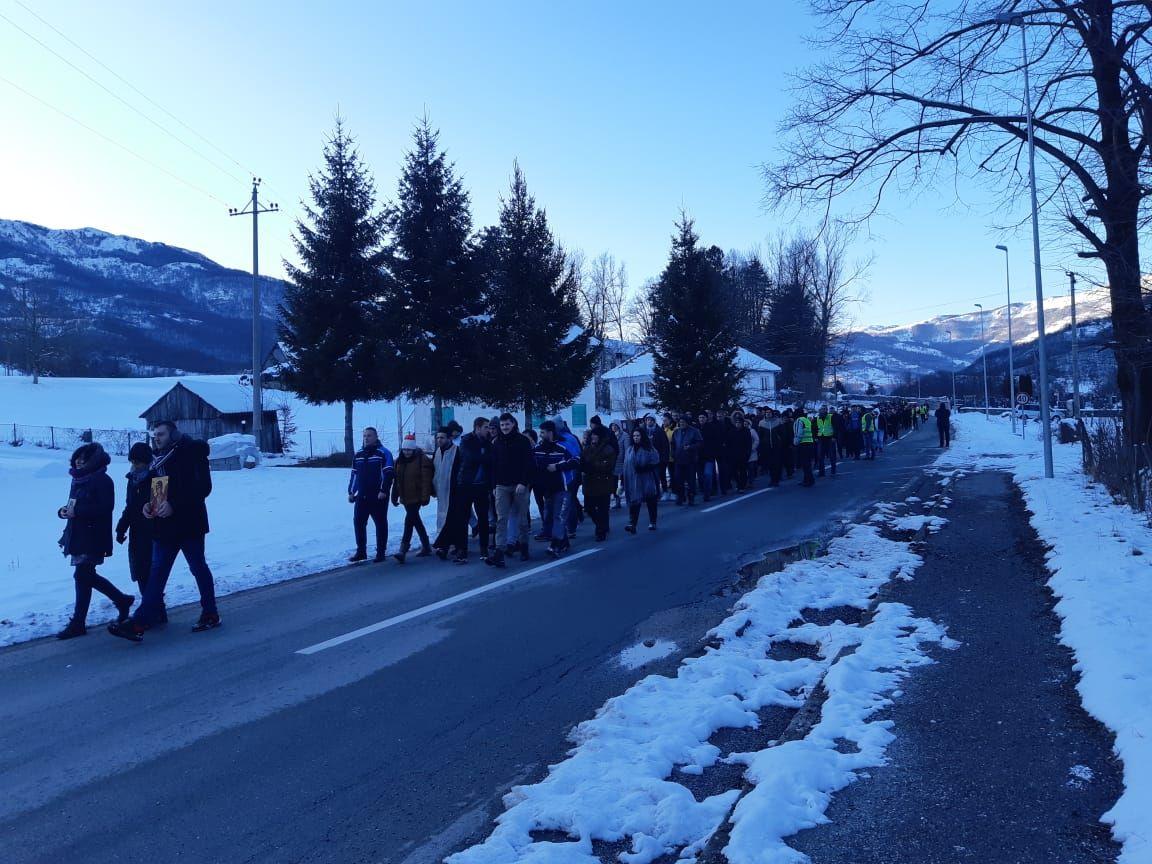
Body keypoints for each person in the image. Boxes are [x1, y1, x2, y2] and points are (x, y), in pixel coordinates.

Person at [108, 420, 219, 641]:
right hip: (165, 527)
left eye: (160, 434)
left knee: (197, 567)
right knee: (156, 573)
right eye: (154, 434)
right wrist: (151, 506)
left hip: (190, 524)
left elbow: (203, 488)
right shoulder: (159, 460)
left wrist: (174, 505)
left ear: (174, 434)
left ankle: (210, 613)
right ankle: (140, 622)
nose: (156, 438)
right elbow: (159, 491)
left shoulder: (192, 452)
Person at [56, 442, 135, 639]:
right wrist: (63, 511)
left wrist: (78, 512)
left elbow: (105, 508)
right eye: (77, 459)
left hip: (93, 536)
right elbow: (73, 505)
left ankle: (79, 622)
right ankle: (121, 600)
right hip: (78, 534)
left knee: (83, 575)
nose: (79, 463)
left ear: (93, 461)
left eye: (83, 460)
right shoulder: (78, 480)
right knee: (84, 576)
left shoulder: (102, 480)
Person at [115, 441, 165, 624]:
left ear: (146, 462)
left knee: (151, 574)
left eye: (138, 462)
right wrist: (121, 528)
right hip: (137, 533)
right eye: (132, 462)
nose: (134, 466)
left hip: (153, 534)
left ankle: (153, 612)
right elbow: (130, 507)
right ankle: (156, 611)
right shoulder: (132, 480)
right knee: (140, 574)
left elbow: (158, 509)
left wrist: (153, 528)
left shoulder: (157, 479)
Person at [435, 417, 493, 565]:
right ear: (477, 427)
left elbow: (492, 459)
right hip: (466, 485)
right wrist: (484, 457)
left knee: (483, 518)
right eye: (486, 427)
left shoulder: (488, 442)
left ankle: (484, 548)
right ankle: (462, 550)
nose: (488, 430)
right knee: (462, 518)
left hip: (482, 485)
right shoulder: (466, 440)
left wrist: (484, 458)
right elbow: (470, 457)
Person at [488, 413, 534, 568]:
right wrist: (494, 486)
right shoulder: (496, 443)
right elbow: (492, 466)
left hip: (519, 485)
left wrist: (523, 482)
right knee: (501, 519)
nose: (505, 427)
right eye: (502, 425)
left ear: (513, 424)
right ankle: (499, 552)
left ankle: (524, 547)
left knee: (521, 518)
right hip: (501, 485)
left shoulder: (522, 441)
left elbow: (529, 463)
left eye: (507, 424)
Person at [347, 427, 395, 563]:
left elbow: (389, 473)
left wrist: (384, 491)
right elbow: (354, 474)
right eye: (364, 436)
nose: (366, 438)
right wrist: (351, 492)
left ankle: (381, 552)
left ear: (375, 436)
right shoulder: (358, 454)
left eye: (369, 435)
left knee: (380, 523)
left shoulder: (384, 453)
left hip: (378, 495)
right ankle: (361, 551)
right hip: (362, 495)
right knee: (358, 522)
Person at [532, 421, 580, 557]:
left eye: (543, 432)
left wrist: (557, 466)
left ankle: (555, 545)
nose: (540, 435)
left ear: (550, 433)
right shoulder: (538, 449)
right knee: (550, 515)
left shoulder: (562, 447)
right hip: (548, 488)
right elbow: (531, 461)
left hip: (563, 487)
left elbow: (576, 460)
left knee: (559, 516)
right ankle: (564, 541)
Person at [391, 434, 435, 563]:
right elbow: (396, 480)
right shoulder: (399, 461)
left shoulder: (422, 460)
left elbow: (426, 480)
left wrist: (425, 497)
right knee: (416, 521)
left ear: (414, 449)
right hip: (405, 497)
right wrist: (394, 496)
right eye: (404, 450)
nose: (407, 452)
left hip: (417, 497)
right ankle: (426, 545)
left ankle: (402, 550)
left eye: (409, 450)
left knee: (409, 522)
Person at [580, 426, 618, 542]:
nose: (593, 437)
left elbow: (609, 465)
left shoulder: (608, 449)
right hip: (589, 483)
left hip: (603, 483)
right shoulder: (587, 448)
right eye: (592, 435)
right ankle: (601, 525)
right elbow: (582, 461)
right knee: (589, 508)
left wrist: (594, 465)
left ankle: (601, 531)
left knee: (602, 509)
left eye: (596, 435)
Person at [622, 426, 660, 533]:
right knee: (634, 501)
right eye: (634, 436)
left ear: (642, 436)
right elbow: (626, 464)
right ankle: (632, 524)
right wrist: (623, 478)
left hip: (647, 478)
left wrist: (645, 468)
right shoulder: (630, 449)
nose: (636, 438)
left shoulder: (649, 448)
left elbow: (655, 460)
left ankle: (653, 521)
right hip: (634, 479)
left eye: (638, 435)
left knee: (650, 500)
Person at [432, 427, 458, 536]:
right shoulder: (437, 452)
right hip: (440, 489)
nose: (439, 440)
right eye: (437, 437)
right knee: (442, 515)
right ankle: (443, 541)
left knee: (453, 517)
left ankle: (452, 543)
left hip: (453, 490)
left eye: (442, 437)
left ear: (449, 438)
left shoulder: (457, 451)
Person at [671, 415, 702, 505]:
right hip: (678, 460)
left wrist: (691, 447)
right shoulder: (676, 432)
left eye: (683, 422)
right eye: (680, 422)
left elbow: (700, 442)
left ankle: (691, 497)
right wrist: (673, 453)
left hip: (690, 460)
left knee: (690, 480)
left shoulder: (694, 431)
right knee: (678, 479)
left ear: (687, 422)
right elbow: (673, 444)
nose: (681, 424)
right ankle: (681, 497)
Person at [794, 408, 816, 487]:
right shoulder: (807, 420)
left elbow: (798, 433)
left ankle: (808, 480)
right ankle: (808, 479)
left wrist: (795, 442)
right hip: (810, 443)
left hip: (803, 444)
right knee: (808, 463)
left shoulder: (799, 420)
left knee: (805, 464)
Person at [815, 405, 838, 478]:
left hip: (830, 438)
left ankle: (833, 471)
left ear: (826, 410)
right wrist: (815, 436)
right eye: (821, 409)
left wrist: (834, 436)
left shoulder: (831, 417)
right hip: (821, 438)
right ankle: (821, 472)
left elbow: (836, 427)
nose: (823, 411)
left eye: (824, 409)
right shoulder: (817, 418)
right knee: (820, 456)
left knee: (832, 456)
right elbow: (815, 428)